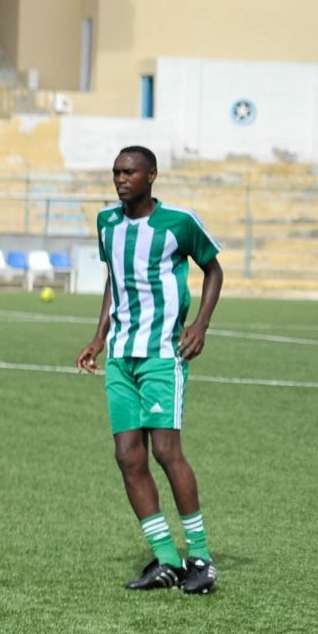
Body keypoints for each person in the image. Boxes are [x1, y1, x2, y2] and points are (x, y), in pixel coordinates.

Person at [77, 145, 224, 593]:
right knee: (127, 456)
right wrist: (99, 336)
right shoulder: (107, 223)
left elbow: (213, 270)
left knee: (165, 451)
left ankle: (200, 556)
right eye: (116, 172)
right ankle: (164, 559)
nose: (121, 179)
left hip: (163, 353)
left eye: (130, 172)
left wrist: (200, 323)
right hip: (121, 355)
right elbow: (113, 280)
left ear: (152, 175)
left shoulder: (179, 222)